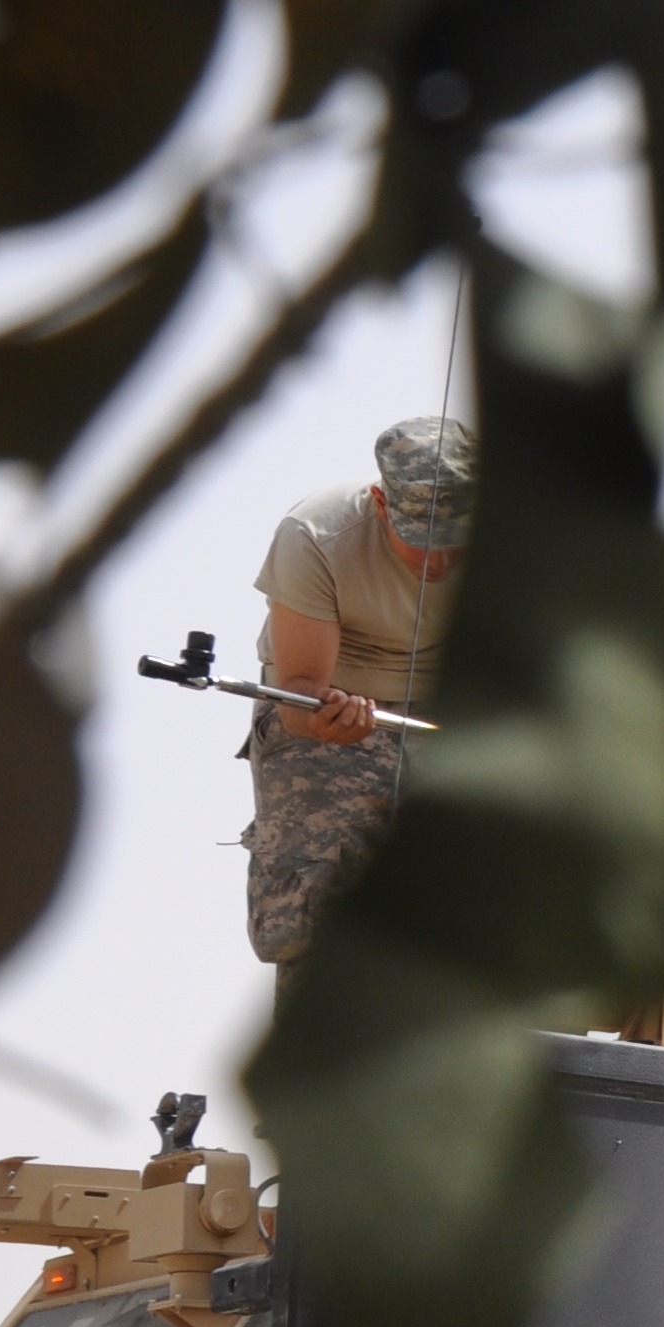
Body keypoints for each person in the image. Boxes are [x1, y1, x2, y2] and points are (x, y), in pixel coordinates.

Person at [243, 416, 473, 973]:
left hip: (456, 711)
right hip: (334, 706)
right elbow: (297, 692)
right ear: (378, 502)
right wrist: (325, 721)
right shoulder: (314, 536)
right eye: (421, 542)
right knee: (309, 919)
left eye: (453, 543)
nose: (437, 563)